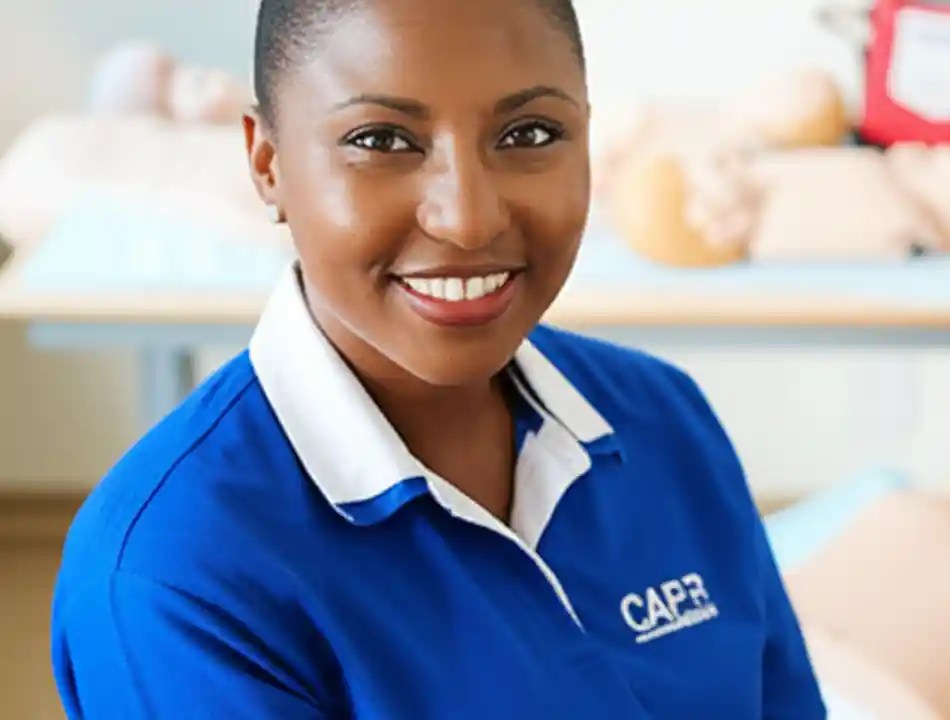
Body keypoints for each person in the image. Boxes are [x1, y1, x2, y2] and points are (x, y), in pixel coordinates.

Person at [50, 0, 826, 718]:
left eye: (528, 135)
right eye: (381, 141)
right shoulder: (171, 574)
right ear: (267, 164)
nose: (468, 217)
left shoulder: (664, 419)